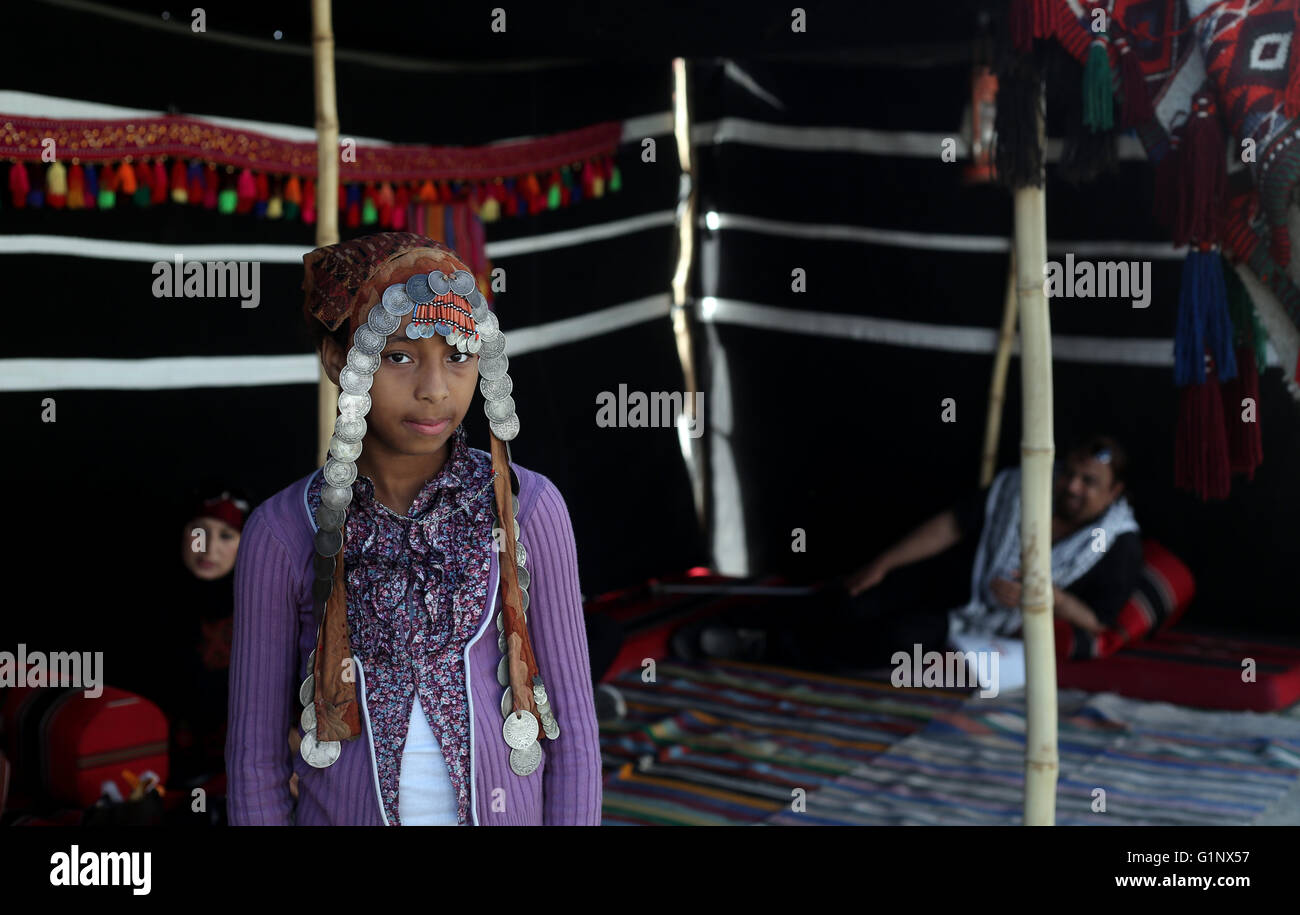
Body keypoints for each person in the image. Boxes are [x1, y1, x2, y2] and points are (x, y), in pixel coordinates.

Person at [226, 233, 601, 825]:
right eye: (399, 356)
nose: (434, 389)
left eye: (458, 355)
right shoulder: (281, 533)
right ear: (336, 360)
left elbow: (576, 736)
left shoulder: (530, 510)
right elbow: (253, 763)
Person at [683, 435, 1143, 672]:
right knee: (853, 598)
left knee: (900, 640)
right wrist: (884, 564)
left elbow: (1099, 621)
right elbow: (951, 524)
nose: (1073, 488)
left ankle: (761, 650)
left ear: (1115, 491)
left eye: (1090, 483)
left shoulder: (1117, 543)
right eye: (1070, 475)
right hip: (941, 582)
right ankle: (732, 620)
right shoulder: (1023, 487)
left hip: (982, 625)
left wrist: (1044, 595)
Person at [163, 486, 251, 787]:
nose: (209, 548)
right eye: (199, 533)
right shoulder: (154, 609)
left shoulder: (265, 612)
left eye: (226, 536)